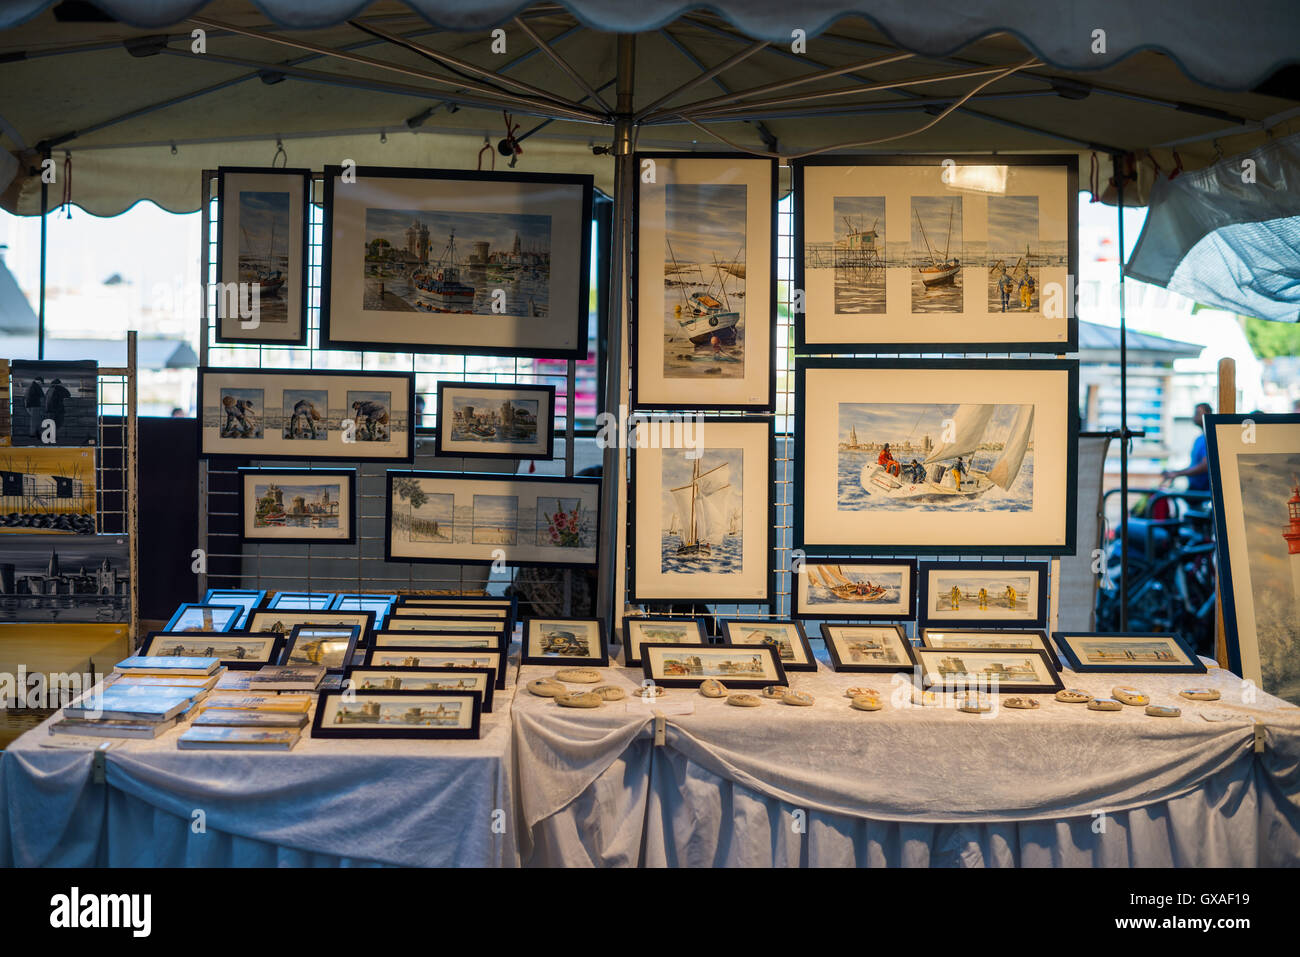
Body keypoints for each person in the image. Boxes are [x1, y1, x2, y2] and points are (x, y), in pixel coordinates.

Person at [1160, 402, 1212, 492]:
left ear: (1208, 414)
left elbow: (1205, 466)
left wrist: (1177, 474)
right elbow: (1195, 466)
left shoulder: (1209, 438)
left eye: (1197, 413)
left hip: (1202, 492)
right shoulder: (1199, 439)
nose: (1194, 416)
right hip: (1193, 488)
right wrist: (1175, 473)